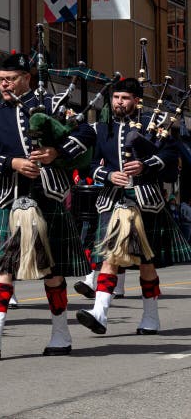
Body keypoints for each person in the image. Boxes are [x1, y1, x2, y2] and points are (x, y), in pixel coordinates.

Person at [0, 53, 94, 359]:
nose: (3, 85)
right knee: (2, 266)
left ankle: (60, 333)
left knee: (53, 271)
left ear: (27, 78)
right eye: (0, 80)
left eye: (9, 79)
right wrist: (13, 162)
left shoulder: (54, 105)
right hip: (9, 198)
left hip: (47, 196)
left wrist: (55, 153)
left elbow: (86, 133)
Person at [76, 78, 191, 336]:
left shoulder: (155, 123)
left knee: (146, 264)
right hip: (112, 200)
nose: (119, 102)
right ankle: (100, 313)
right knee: (109, 258)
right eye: (116, 97)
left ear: (136, 100)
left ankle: (151, 316)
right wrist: (107, 175)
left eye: (124, 98)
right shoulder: (102, 128)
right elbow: (93, 165)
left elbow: (171, 155)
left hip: (144, 200)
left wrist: (145, 165)